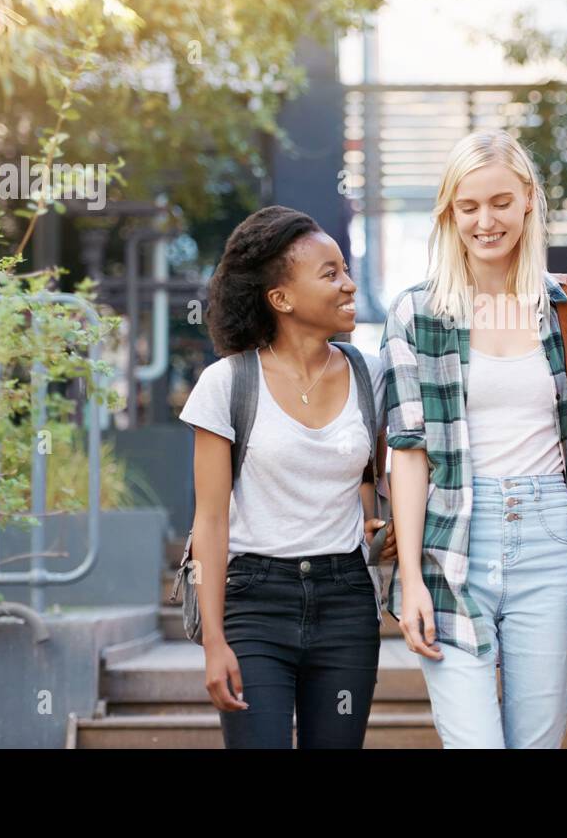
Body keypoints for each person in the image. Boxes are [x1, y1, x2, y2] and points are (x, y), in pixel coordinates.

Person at [379, 129, 567, 748]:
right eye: (468, 206)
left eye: (500, 201)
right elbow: (408, 450)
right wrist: (414, 578)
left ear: (528, 199)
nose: (485, 221)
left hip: (553, 539)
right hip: (453, 539)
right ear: (449, 212)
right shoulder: (416, 313)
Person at [179, 205, 394, 748]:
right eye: (330, 274)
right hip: (253, 600)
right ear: (282, 299)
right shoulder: (226, 384)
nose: (348, 285)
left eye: (345, 270)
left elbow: (377, 478)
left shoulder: (371, 375)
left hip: (345, 600)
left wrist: (381, 527)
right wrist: (214, 643)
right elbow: (208, 522)